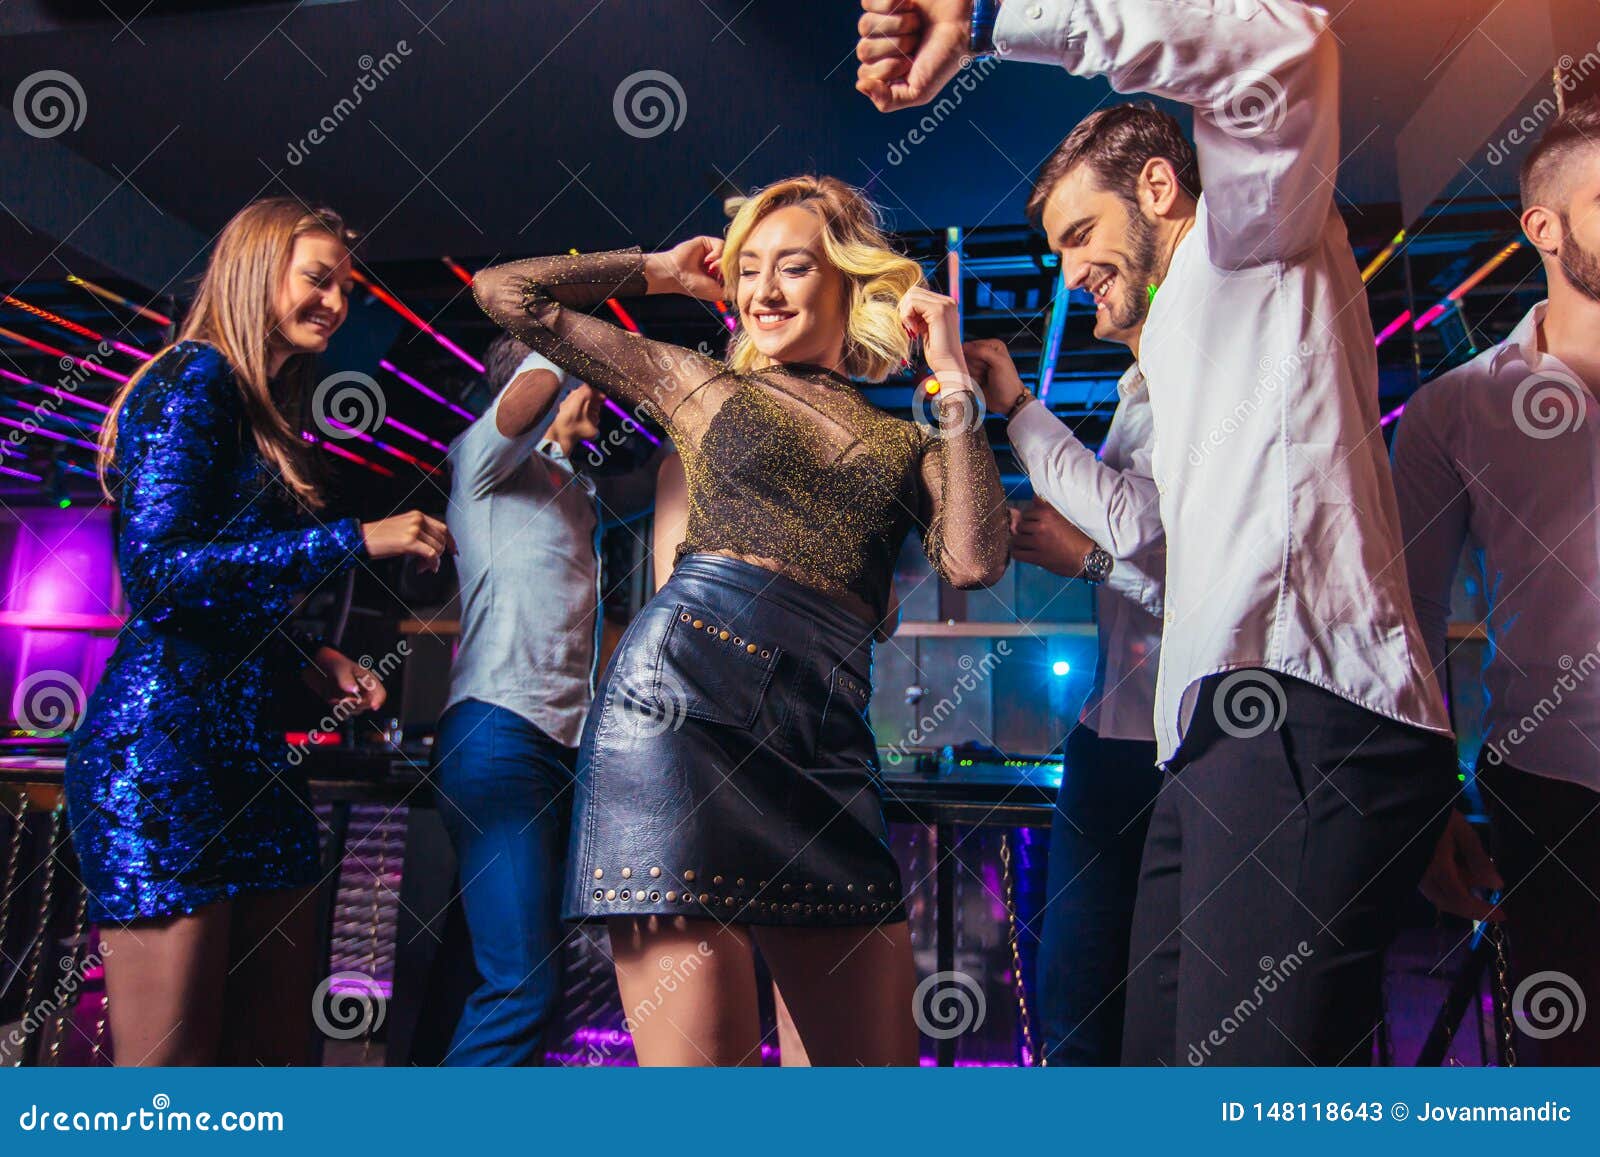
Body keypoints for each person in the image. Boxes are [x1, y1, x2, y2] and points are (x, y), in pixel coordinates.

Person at [856, 1, 1456, 1065]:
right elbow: (1143, 530)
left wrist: (992, 18)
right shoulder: (1178, 352)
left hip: (1303, 706)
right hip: (1215, 728)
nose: (1072, 270)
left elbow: (1286, 45)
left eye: (1078, 236)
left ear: (1159, 187)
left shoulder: (1248, 241)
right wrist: (1013, 405)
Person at [472, 174, 1010, 1065]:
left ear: (848, 282)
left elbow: (975, 560)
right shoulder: (699, 384)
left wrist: (951, 380)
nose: (761, 290)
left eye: (792, 268)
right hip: (680, 720)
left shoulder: (906, 441)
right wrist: (657, 270)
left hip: (824, 745)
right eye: (749, 268)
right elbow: (506, 293)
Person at [64, 197, 450, 1065]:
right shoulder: (192, 378)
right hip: (163, 758)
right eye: (318, 280)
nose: (336, 304)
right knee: (169, 1083)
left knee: (271, 1064)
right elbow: (158, 576)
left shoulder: (258, 407)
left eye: (344, 289)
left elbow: (216, 584)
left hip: (252, 764)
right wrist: (358, 537)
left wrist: (306, 658)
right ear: (255, 273)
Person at [1393, 96, 1600, 1065]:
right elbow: (1408, 614)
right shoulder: (1455, 410)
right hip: (1548, 802)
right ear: (1543, 227)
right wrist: (1426, 796)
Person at [427, 334, 657, 1065]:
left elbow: (661, 478)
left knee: (484, 975)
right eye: (581, 377)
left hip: (559, 749)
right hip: (500, 734)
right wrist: (567, 332)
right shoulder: (485, 464)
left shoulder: (575, 486)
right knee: (522, 987)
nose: (596, 391)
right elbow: (527, 390)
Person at [964, 310, 1164, 1065]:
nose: (1073, 271)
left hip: (1182, 747)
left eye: (1082, 237)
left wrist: (1091, 561)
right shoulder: (1135, 391)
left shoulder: (1205, 388)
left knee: (1153, 1014)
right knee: (1075, 1004)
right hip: (1107, 742)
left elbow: (1135, 534)